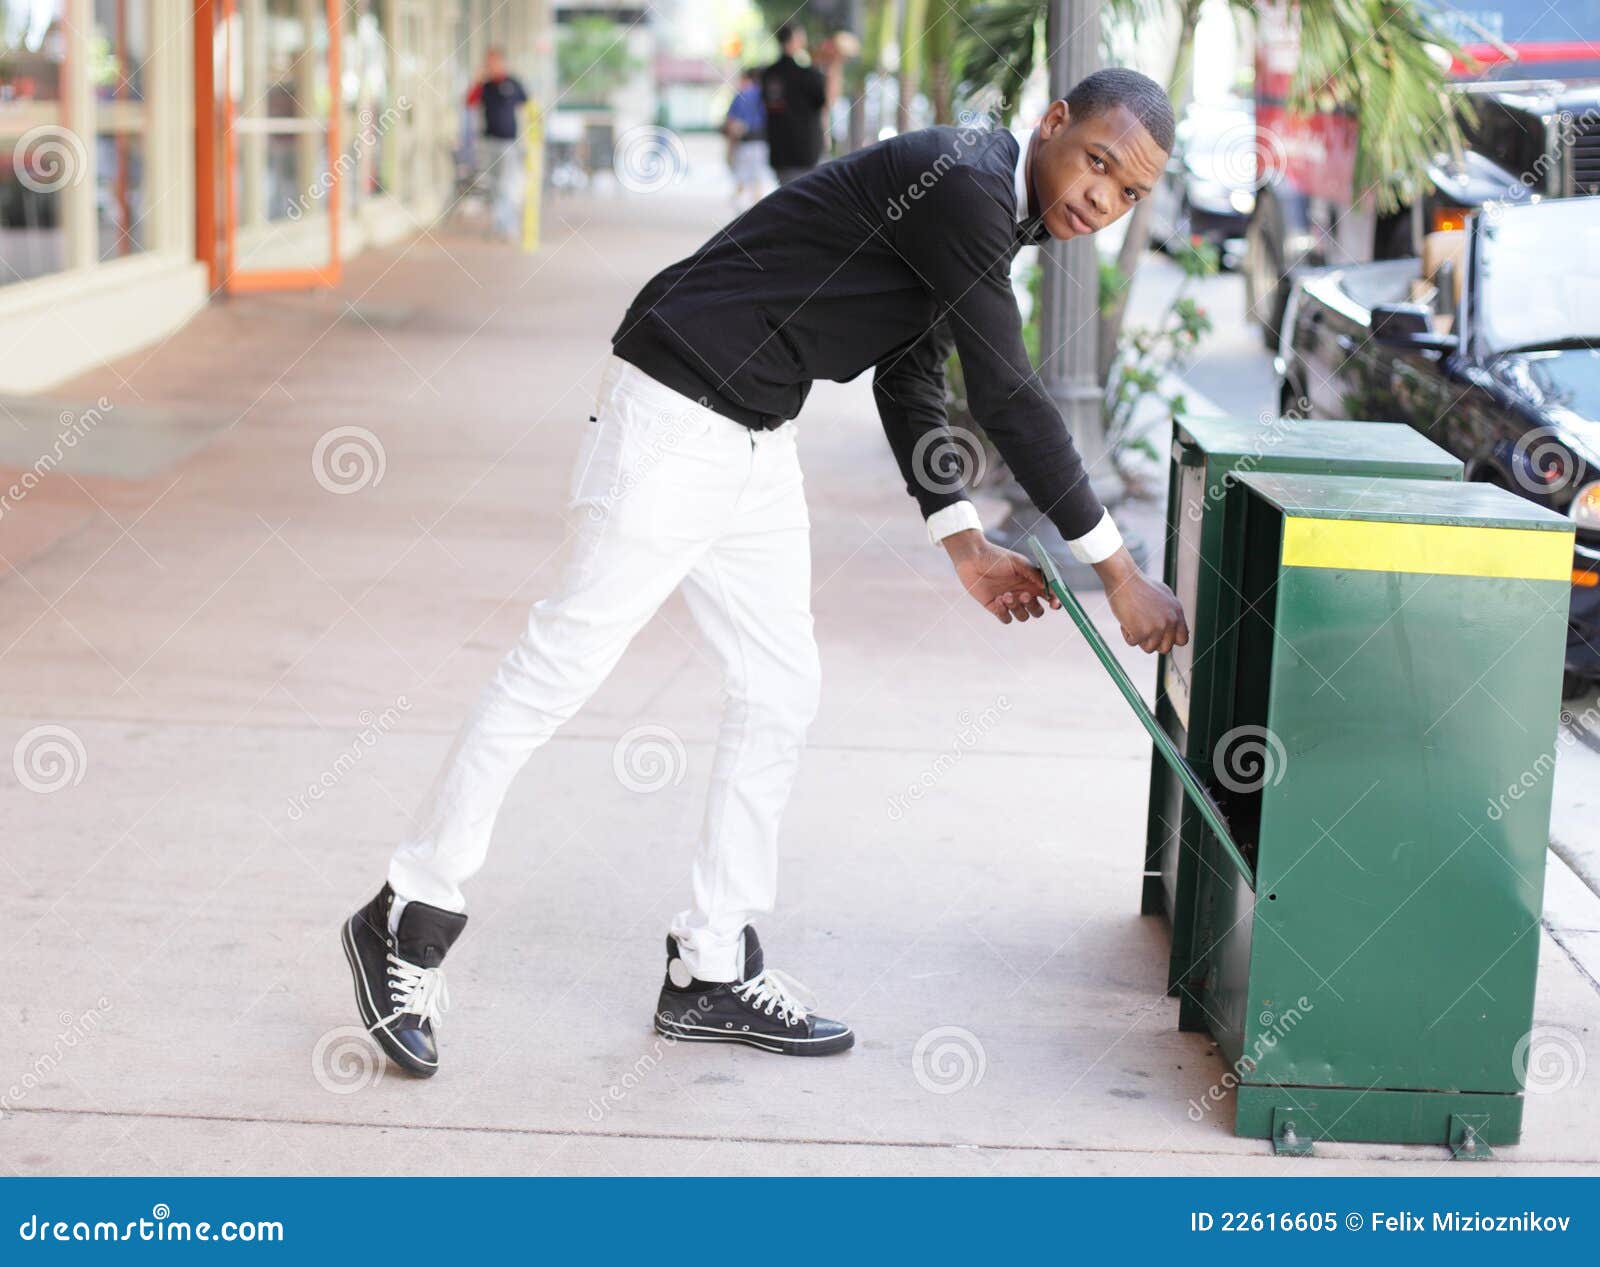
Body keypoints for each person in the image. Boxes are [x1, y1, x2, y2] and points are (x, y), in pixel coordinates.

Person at [342, 67, 1189, 1078]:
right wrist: (1119, 568)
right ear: (1052, 123)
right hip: (674, 409)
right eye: (1097, 162)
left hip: (751, 431)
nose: (1102, 198)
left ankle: (709, 967)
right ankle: (407, 911)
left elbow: (909, 372)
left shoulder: (992, 211)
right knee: (559, 661)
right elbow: (1007, 395)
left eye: (1127, 191)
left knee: (779, 685)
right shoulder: (966, 179)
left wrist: (962, 544)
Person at [760, 24, 843, 184]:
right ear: (796, 40)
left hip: (779, 152)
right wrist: (835, 66)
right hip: (806, 152)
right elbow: (828, 101)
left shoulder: (768, 74)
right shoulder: (808, 75)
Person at [466, 47, 529, 240]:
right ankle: (499, 223)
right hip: (488, 141)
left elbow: (527, 106)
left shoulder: (513, 83)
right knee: (493, 185)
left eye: (494, 62)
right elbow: (469, 102)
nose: (491, 66)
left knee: (506, 184)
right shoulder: (485, 86)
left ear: (502, 62)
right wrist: (478, 79)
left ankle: (507, 225)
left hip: (508, 143)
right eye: (488, 62)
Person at [724, 67, 770, 210]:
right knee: (758, 180)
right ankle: (756, 211)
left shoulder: (740, 96)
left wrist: (730, 148)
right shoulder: (764, 96)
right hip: (761, 143)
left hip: (743, 144)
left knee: (741, 180)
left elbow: (731, 122)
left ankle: (740, 212)